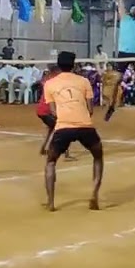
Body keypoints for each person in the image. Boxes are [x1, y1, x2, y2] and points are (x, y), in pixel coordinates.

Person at [43, 51, 103, 212]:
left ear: (58, 64)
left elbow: (53, 111)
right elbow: (90, 109)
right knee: (98, 156)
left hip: (63, 126)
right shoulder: (84, 81)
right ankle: (94, 195)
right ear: (74, 64)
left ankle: (50, 203)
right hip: (85, 125)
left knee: (50, 162)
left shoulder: (49, 84)